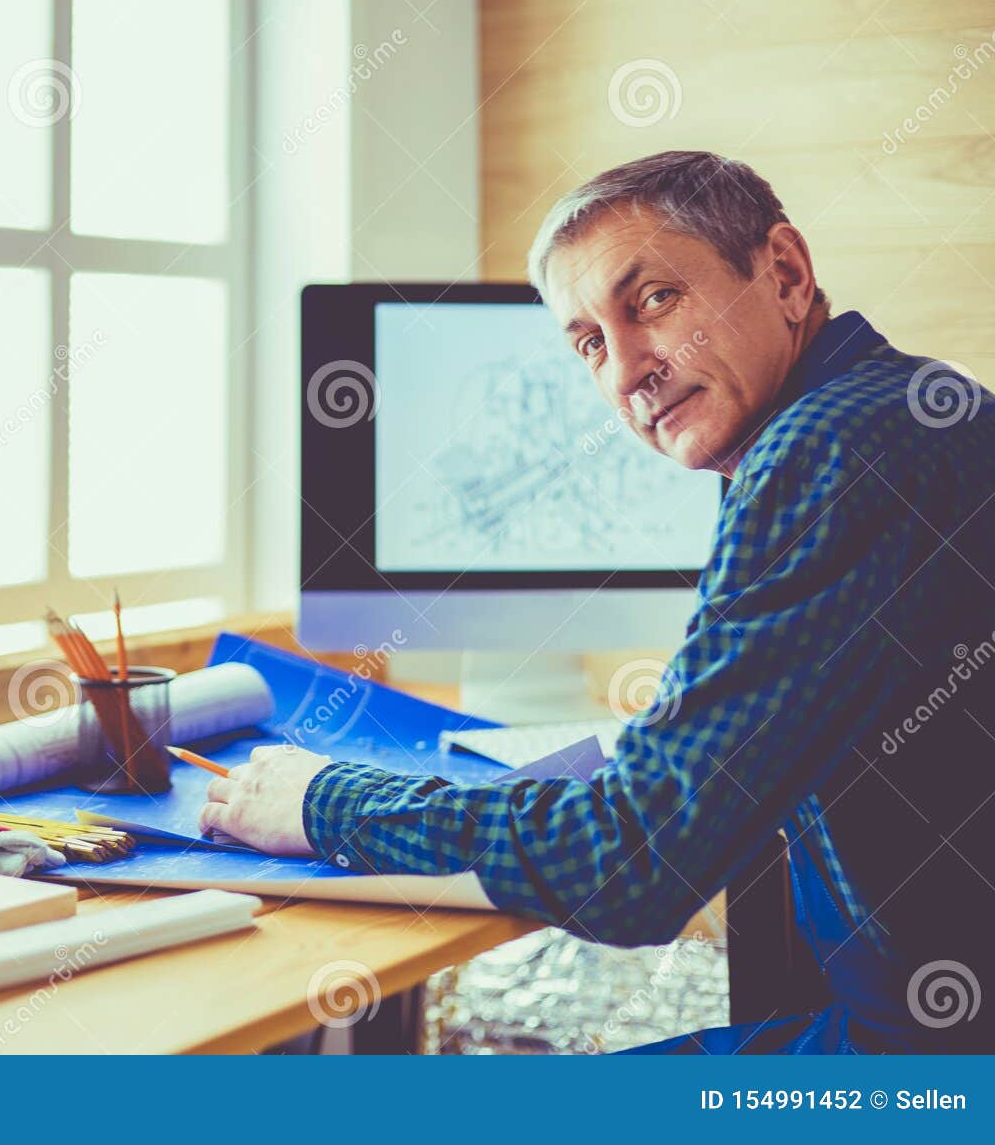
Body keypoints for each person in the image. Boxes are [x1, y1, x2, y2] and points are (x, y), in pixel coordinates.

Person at [200, 150, 995, 1053]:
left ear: (784, 274)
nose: (624, 374)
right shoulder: (905, 409)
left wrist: (325, 801)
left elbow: (635, 865)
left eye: (653, 300)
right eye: (588, 342)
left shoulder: (831, 453)